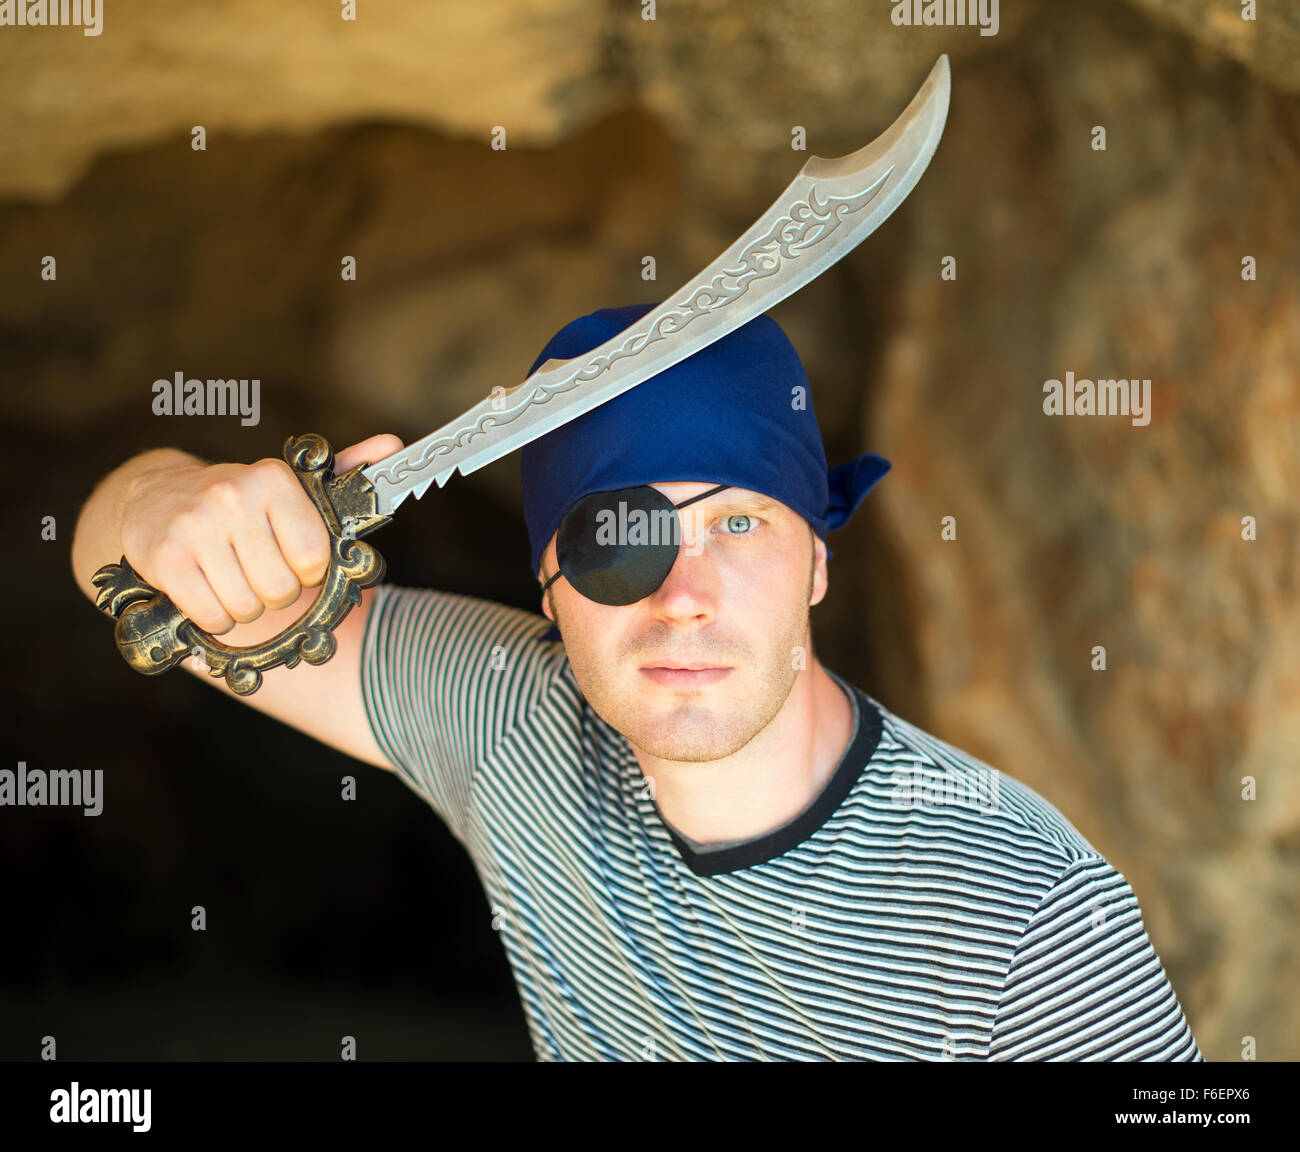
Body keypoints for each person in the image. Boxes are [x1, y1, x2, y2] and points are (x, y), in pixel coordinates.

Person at [72, 302, 1204, 1061]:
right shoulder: (516, 724)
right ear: (551, 585)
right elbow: (125, 576)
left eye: (741, 523)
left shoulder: (1022, 912)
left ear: (817, 561)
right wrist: (169, 505)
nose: (685, 595)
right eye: (621, 538)